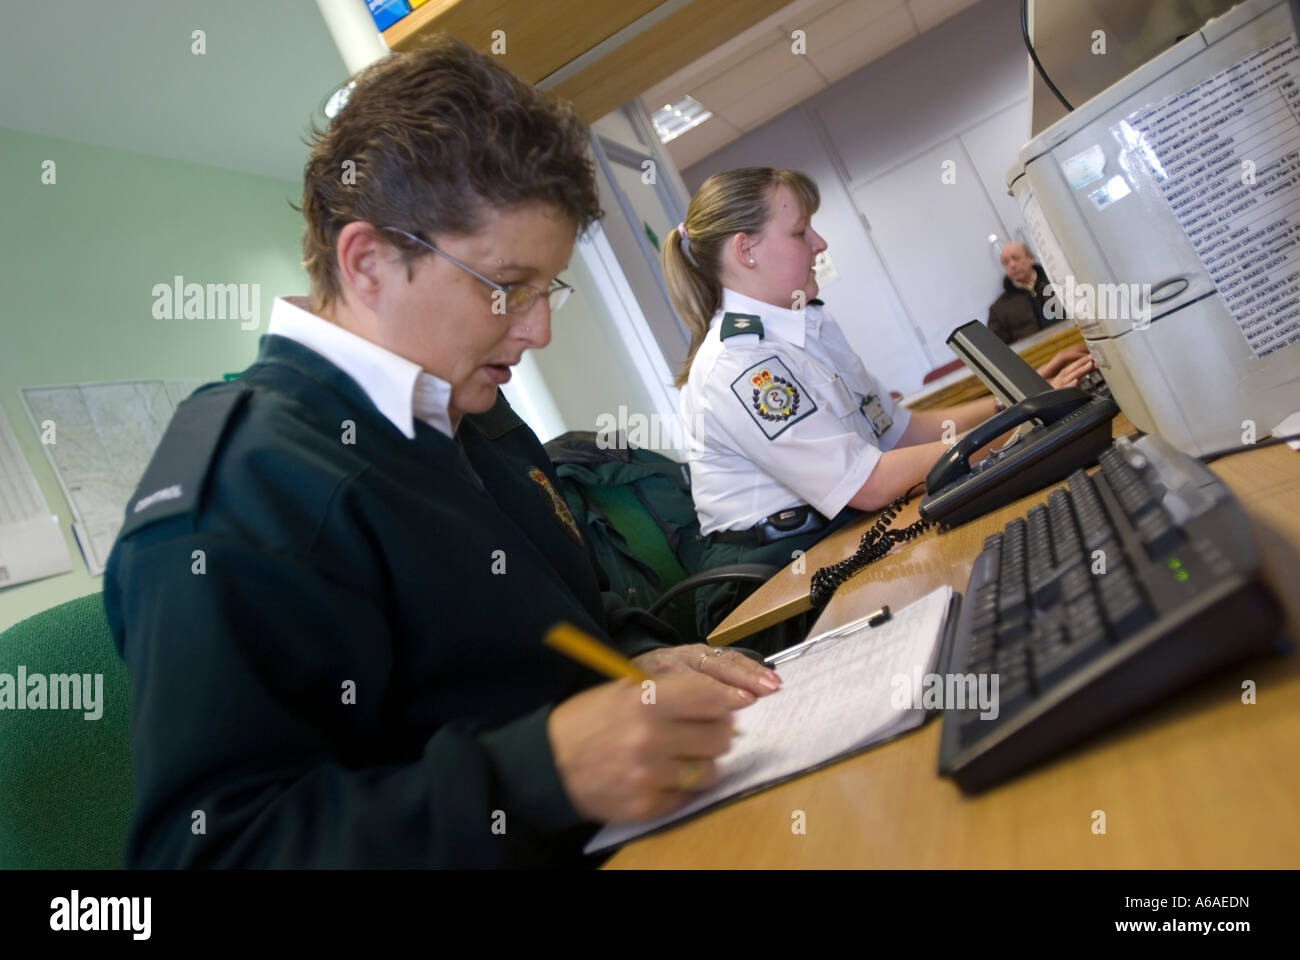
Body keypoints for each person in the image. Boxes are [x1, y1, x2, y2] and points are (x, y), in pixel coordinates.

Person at [103, 36, 781, 869]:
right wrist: (542, 772)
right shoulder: (240, 487)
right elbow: (213, 851)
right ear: (369, 262)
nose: (537, 330)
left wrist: (635, 659)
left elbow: (532, 626)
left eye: (546, 289)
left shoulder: (469, 414)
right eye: (505, 286)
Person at [662, 169, 1092, 638]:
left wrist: (1011, 404)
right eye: (801, 232)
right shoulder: (739, 364)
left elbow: (902, 433)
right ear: (746, 250)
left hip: (836, 537)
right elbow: (865, 484)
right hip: (778, 584)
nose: (820, 243)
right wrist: (1024, 425)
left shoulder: (811, 325)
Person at [987, 241, 1060, 343]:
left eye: (1016, 258)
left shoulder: (1058, 284)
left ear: (1030, 258)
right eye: (1006, 262)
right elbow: (999, 349)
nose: (1012, 265)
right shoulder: (998, 309)